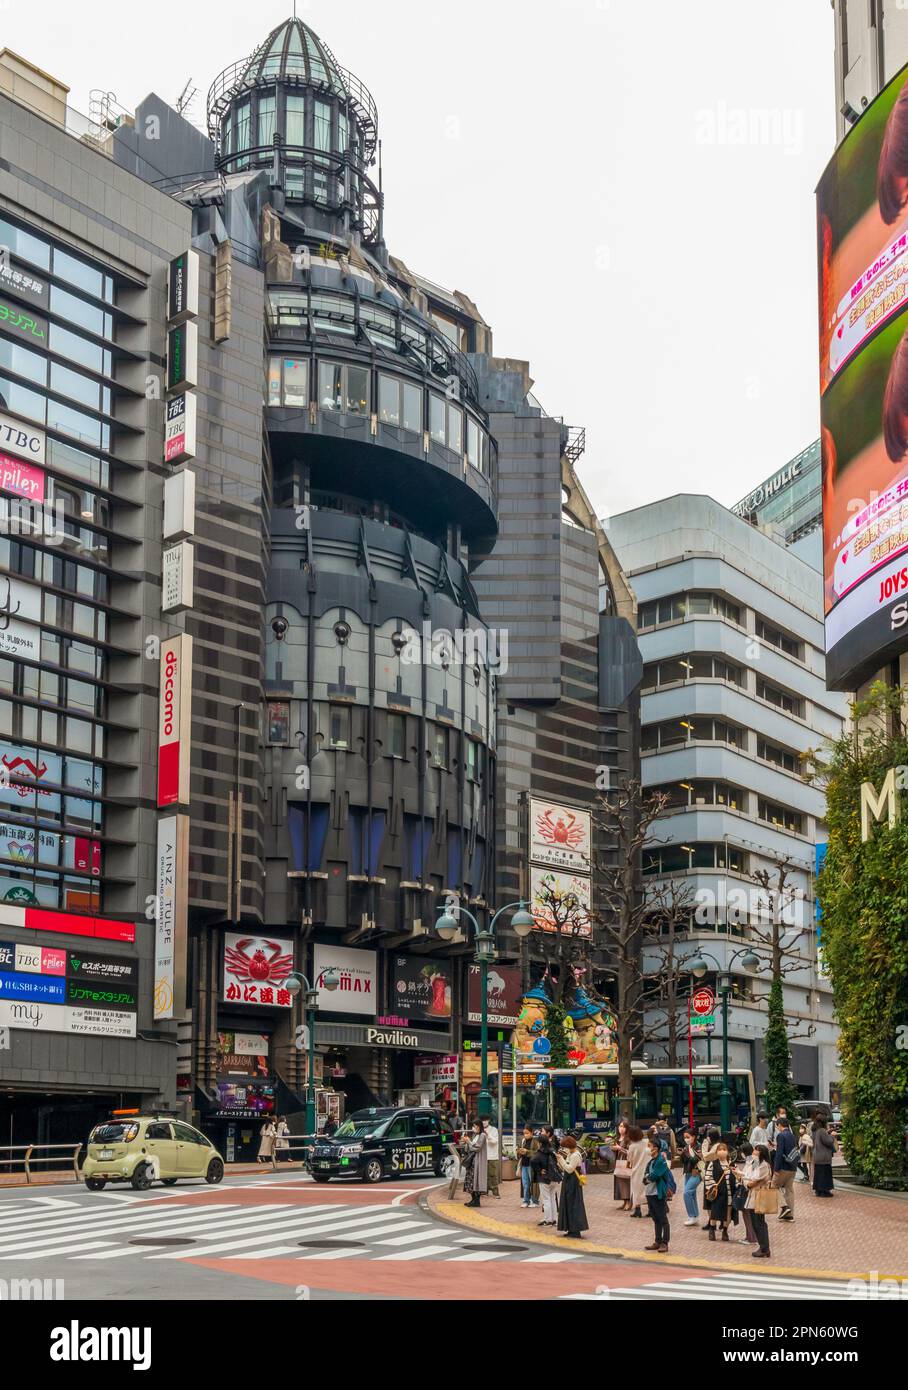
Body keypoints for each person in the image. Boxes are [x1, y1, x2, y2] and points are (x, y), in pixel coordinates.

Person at [643, 1134, 672, 1253]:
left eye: (649, 1146)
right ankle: (657, 1241)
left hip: (658, 1193)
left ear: (656, 1148)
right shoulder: (651, 1161)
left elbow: (654, 1176)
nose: (648, 1148)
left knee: (663, 1219)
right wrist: (647, 1178)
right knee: (655, 1218)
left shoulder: (661, 1160)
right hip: (650, 1193)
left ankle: (665, 1243)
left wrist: (647, 1178)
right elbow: (646, 1175)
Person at [556, 1134, 589, 1239]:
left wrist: (561, 1159)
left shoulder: (575, 1155)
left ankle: (575, 1230)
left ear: (569, 1146)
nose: (563, 1149)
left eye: (564, 1147)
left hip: (573, 1182)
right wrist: (560, 1160)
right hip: (569, 1180)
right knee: (568, 1204)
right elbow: (566, 1167)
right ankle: (571, 1228)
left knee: (573, 1205)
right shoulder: (571, 1153)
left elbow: (569, 1169)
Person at [744, 1143, 774, 1258]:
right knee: (756, 1223)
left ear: (762, 1153)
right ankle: (763, 1248)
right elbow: (748, 1176)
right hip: (754, 1197)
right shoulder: (757, 1163)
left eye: (756, 1150)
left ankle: (764, 1248)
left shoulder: (764, 1165)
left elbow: (752, 1181)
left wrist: (746, 1182)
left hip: (759, 1197)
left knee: (759, 1223)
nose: (754, 1152)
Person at [704, 1141, 736, 1241]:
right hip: (718, 1193)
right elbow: (707, 1177)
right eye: (720, 1150)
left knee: (728, 1213)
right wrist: (714, 1186)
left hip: (730, 1193)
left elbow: (736, 1176)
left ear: (727, 1151)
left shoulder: (731, 1164)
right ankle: (712, 1230)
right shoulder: (713, 1164)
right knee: (715, 1212)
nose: (722, 1152)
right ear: (716, 1152)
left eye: (724, 1149)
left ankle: (725, 1231)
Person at [771, 1114, 799, 1220]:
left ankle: (784, 1207)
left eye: (777, 1125)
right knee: (789, 1189)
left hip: (783, 1166)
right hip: (792, 1166)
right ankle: (790, 1214)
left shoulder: (781, 1136)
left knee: (774, 1186)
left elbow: (779, 1153)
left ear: (779, 1125)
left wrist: (776, 1168)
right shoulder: (792, 1135)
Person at [531, 1133, 560, 1227]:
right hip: (554, 1178)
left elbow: (532, 1161)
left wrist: (539, 1170)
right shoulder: (552, 1151)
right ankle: (554, 1219)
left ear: (540, 1143)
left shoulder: (539, 1153)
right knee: (552, 1199)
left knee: (546, 1200)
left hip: (544, 1179)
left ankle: (548, 1220)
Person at [733, 1142, 759, 1245]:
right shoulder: (751, 1160)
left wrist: (739, 1173)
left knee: (748, 1214)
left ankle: (751, 1237)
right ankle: (750, 1236)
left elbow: (751, 1176)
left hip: (749, 1190)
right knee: (748, 1214)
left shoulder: (753, 1161)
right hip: (748, 1189)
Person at [462, 1120, 488, 1208]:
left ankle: (477, 1201)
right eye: (473, 1126)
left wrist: (469, 1142)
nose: (474, 1128)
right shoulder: (475, 1135)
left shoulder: (483, 1135)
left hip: (478, 1161)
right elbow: (470, 1148)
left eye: (476, 1126)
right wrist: (467, 1142)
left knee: (476, 1180)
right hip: (472, 1161)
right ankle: (473, 1200)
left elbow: (477, 1148)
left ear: (480, 1126)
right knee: (471, 1181)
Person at [679, 1128, 702, 1226]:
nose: (686, 1139)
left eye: (688, 1137)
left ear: (694, 1137)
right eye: (685, 1137)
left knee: (687, 1193)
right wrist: (682, 1154)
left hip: (697, 1172)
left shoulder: (699, 1147)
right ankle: (695, 1216)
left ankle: (692, 1216)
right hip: (688, 1172)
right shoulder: (686, 1147)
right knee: (692, 1194)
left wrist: (687, 1154)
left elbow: (695, 1160)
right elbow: (683, 1161)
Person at [626, 1125, 649, 1219]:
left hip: (636, 1170)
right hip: (647, 1169)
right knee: (647, 1190)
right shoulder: (646, 1142)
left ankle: (638, 1210)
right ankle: (650, 1210)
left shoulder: (631, 1146)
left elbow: (630, 1160)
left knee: (636, 1190)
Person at [811, 1117, 836, 1197]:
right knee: (825, 1174)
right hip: (823, 1156)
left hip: (817, 1155)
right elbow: (828, 1141)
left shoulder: (815, 1131)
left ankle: (818, 1190)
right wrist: (832, 1136)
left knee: (818, 1174)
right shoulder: (821, 1131)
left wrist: (827, 1133)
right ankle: (824, 1191)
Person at [517, 1124, 539, 1209]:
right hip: (524, 1164)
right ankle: (526, 1200)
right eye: (524, 1133)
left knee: (533, 1183)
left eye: (527, 1133)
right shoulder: (523, 1141)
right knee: (525, 1184)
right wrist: (519, 1151)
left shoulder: (535, 1141)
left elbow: (537, 1153)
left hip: (531, 1165)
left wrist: (527, 1152)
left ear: (531, 1132)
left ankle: (535, 1201)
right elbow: (519, 1150)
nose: (525, 1135)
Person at [612, 1119, 632, 1211]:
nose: (621, 1128)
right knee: (620, 1183)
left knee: (626, 1182)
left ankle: (628, 1202)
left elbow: (630, 1152)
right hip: (618, 1162)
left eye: (623, 1126)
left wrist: (620, 1148)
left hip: (625, 1162)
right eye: (620, 1126)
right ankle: (624, 1202)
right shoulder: (617, 1138)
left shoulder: (628, 1139)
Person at [482, 1117, 501, 1199]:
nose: (484, 1122)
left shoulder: (494, 1130)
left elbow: (494, 1142)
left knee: (493, 1175)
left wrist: (487, 1135)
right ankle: (485, 1191)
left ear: (489, 1120)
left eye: (485, 1120)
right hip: (483, 1156)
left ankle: (496, 1193)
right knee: (484, 1175)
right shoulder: (480, 1130)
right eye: (482, 1120)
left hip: (492, 1156)